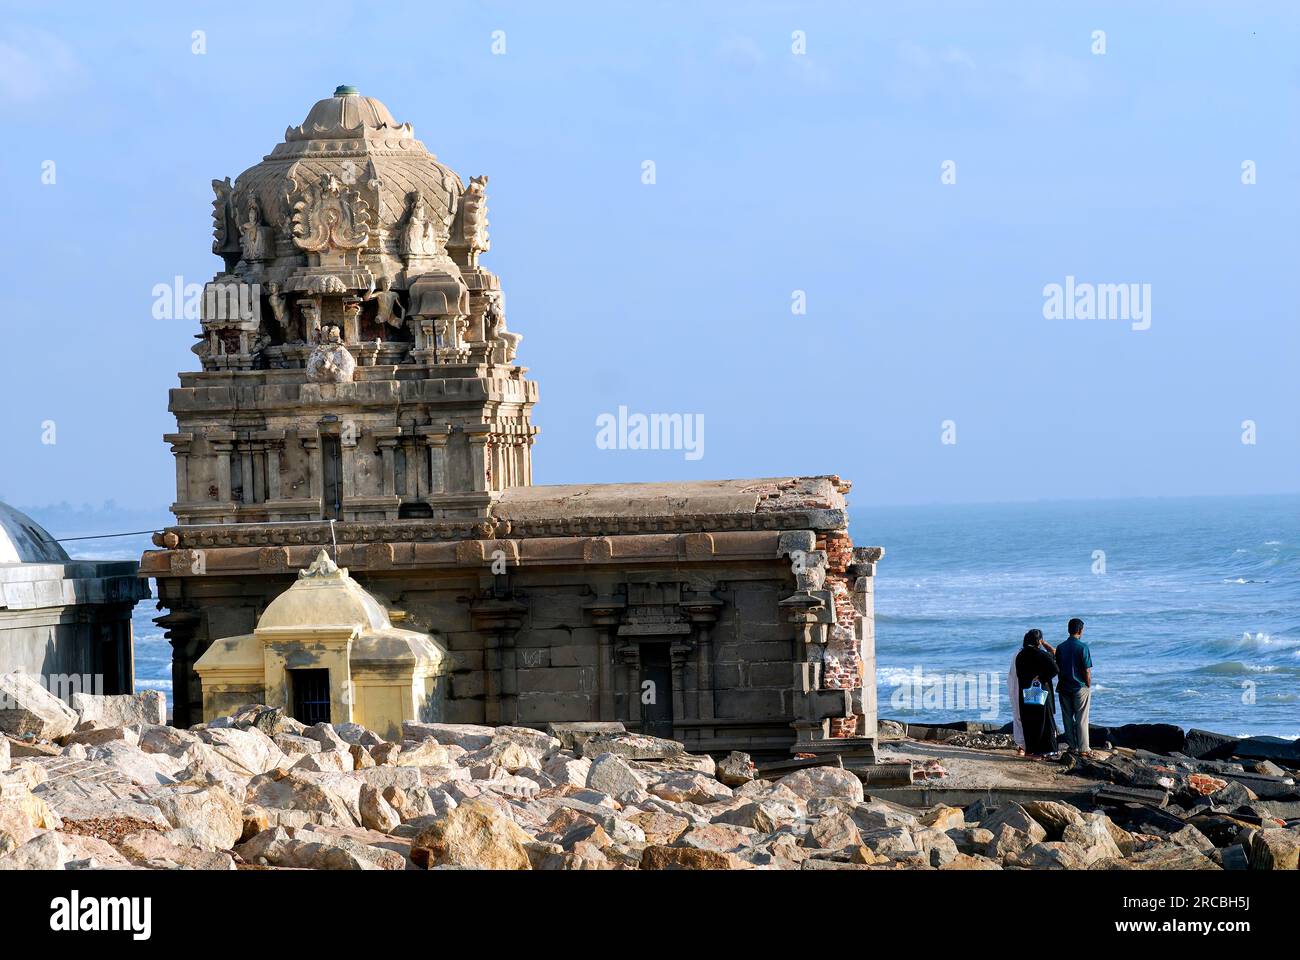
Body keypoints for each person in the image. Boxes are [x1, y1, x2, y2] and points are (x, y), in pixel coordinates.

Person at [1015, 629, 1059, 758]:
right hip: (1041, 692)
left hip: (1026, 692)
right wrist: (1041, 678)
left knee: (1029, 721)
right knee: (1044, 721)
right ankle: (1045, 751)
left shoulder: (1021, 655)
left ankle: (1030, 750)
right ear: (1039, 641)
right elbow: (1055, 668)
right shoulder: (1041, 654)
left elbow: (1019, 674)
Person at [1056, 617, 1094, 757]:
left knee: (1067, 717)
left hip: (1064, 686)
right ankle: (1084, 748)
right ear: (1080, 631)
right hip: (1079, 686)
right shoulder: (1083, 647)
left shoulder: (1060, 647)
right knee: (1081, 718)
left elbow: (1057, 666)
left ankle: (1072, 746)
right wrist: (1088, 684)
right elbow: (1086, 670)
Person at [1007, 651, 1024, 756]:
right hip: (1028, 691)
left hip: (1016, 689)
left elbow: (1012, 675)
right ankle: (1023, 747)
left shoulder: (1017, 654)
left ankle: (1021, 747)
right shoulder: (1035, 653)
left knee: (1018, 718)